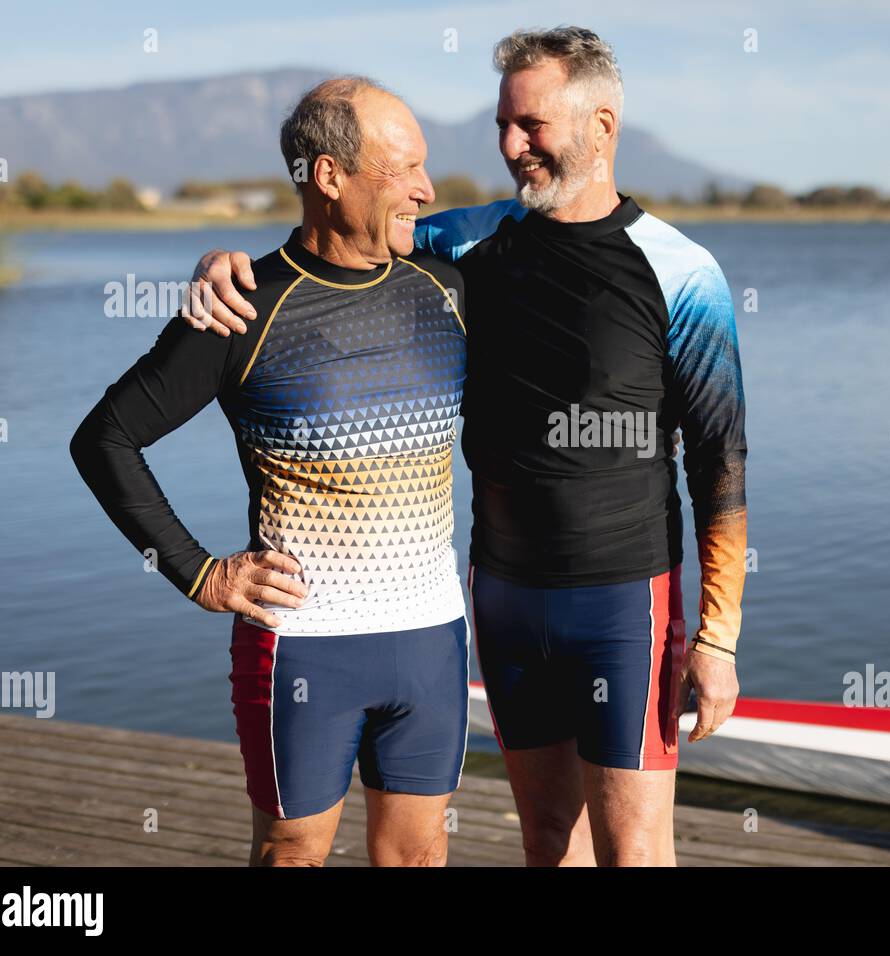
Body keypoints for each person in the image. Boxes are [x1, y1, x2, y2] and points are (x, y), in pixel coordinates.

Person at [187, 27, 747, 867]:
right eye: (502, 125)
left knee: (633, 850)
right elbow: (339, 238)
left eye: (533, 126)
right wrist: (228, 265)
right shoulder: (466, 242)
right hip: (503, 594)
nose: (512, 147)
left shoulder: (681, 272)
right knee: (548, 840)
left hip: (628, 597)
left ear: (602, 123)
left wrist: (717, 638)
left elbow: (720, 462)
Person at [71, 77, 471, 866]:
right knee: (291, 852)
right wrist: (199, 575)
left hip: (432, 636)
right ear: (329, 176)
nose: (427, 190)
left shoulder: (450, 288)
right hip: (305, 646)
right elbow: (106, 438)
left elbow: (552, 225)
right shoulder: (243, 307)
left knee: (420, 853)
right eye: (407, 170)